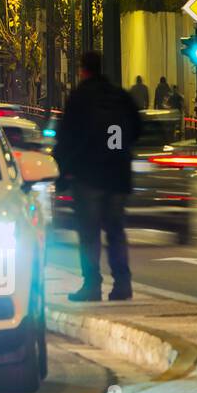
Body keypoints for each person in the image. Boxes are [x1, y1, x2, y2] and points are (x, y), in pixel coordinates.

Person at [54, 51, 141, 302]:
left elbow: (66, 138)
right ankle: (122, 284)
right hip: (117, 174)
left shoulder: (80, 98)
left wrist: (60, 172)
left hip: (88, 176)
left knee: (89, 233)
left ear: (82, 69)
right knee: (115, 231)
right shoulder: (120, 96)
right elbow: (137, 128)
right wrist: (121, 152)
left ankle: (92, 285)